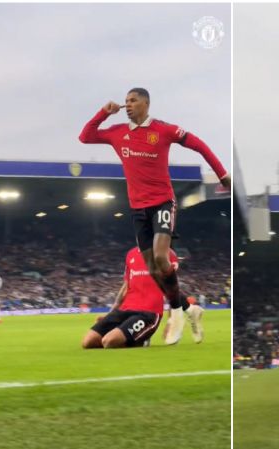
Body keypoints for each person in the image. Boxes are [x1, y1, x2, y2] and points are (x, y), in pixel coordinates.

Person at [79, 88, 229, 344]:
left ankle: (177, 314)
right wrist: (104, 112)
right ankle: (187, 308)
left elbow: (199, 145)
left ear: (146, 104)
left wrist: (222, 174)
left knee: (161, 257)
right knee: (152, 267)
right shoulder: (118, 133)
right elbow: (86, 136)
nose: (128, 105)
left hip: (162, 202)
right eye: (126, 101)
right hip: (138, 209)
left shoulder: (164, 130)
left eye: (133, 100)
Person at [82, 246, 202, 349]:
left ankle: (141, 339)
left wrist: (172, 321)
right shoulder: (131, 254)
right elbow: (126, 287)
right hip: (125, 309)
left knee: (109, 341)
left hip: (149, 313)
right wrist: (110, 314)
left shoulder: (166, 254)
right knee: (88, 342)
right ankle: (135, 337)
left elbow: (172, 289)